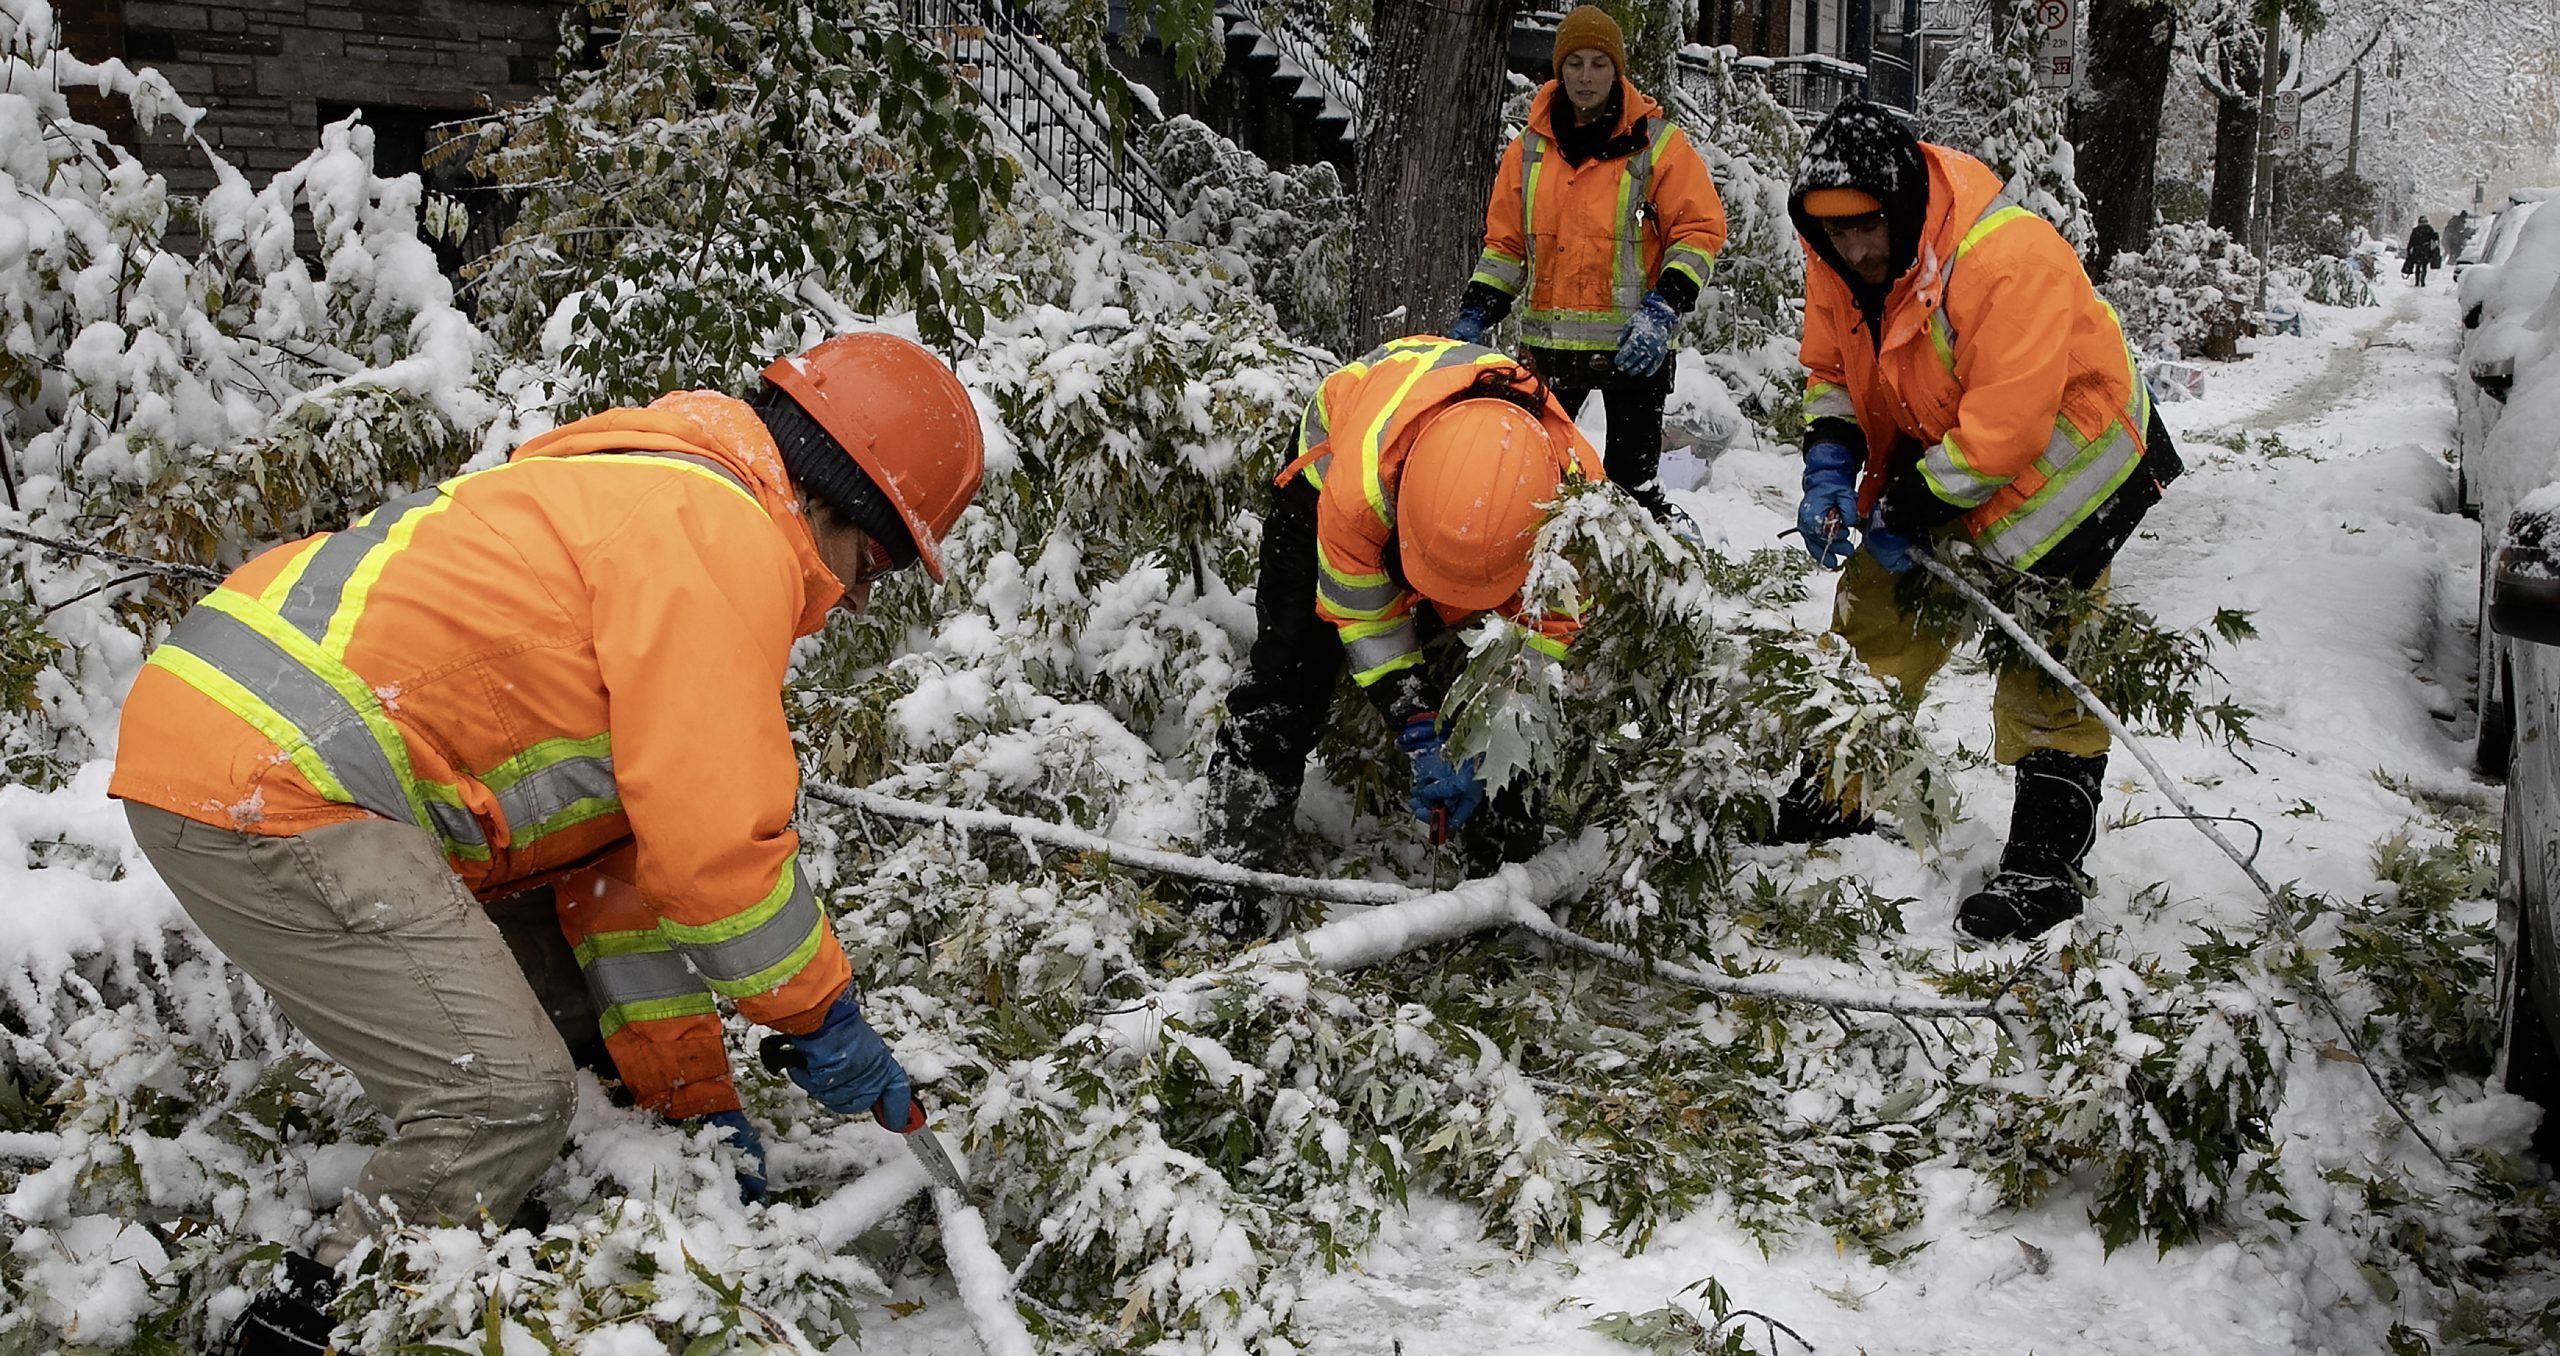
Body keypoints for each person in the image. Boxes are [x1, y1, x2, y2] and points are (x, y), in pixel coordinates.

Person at [108, 332, 983, 1353]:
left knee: (575, 1045)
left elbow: (623, 883)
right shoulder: (721, 536)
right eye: (875, 561)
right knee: (499, 1097)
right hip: (272, 777)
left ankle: (508, 1244)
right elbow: (716, 862)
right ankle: (308, 1327)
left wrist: (690, 1101)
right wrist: (821, 1013)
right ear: (836, 497)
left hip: (250, 739)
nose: (864, 597)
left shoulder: (655, 498)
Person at [1776, 100, 2182, 943]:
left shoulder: (2006, 257)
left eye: (1865, 230)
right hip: (1949, 449)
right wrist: (1828, 464)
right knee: (1876, 614)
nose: (1852, 251)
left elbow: (2007, 428)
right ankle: (1838, 784)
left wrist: (1908, 506)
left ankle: (2045, 861)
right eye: (1833, 236)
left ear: (1902, 204)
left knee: (2047, 648)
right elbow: (1832, 371)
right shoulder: (1838, 264)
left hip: (2072, 460)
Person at [1194, 336, 1606, 939]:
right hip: (1327, 469)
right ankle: (1231, 885)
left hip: (1483, 489)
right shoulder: (1357, 494)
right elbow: (1363, 615)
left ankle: (1499, 888)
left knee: (1502, 711)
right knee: (1288, 675)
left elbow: (1539, 646)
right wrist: (1417, 725)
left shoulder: (1577, 510)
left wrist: (1491, 733)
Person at [1452, 4, 1725, 528]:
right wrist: (1476, 311)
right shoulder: (1528, 151)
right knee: (1534, 481)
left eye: (1598, 62)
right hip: (1549, 349)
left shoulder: (1656, 144)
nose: (1585, 76)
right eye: (1573, 62)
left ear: (1616, 69)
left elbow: (1698, 231)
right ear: (1558, 70)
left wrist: (1664, 307)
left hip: (1635, 349)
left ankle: (1631, 598)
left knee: (1632, 497)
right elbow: (1507, 246)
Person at [2404, 217, 2441, 287]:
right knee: (2424, 266)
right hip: (2426, 250)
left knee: (2418, 266)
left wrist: (2409, 251)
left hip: (2417, 251)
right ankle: (2422, 281)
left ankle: (2417, 281)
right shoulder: (2429, 229)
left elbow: (2411, 241)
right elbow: (2434, 240)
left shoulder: (2416, 230)